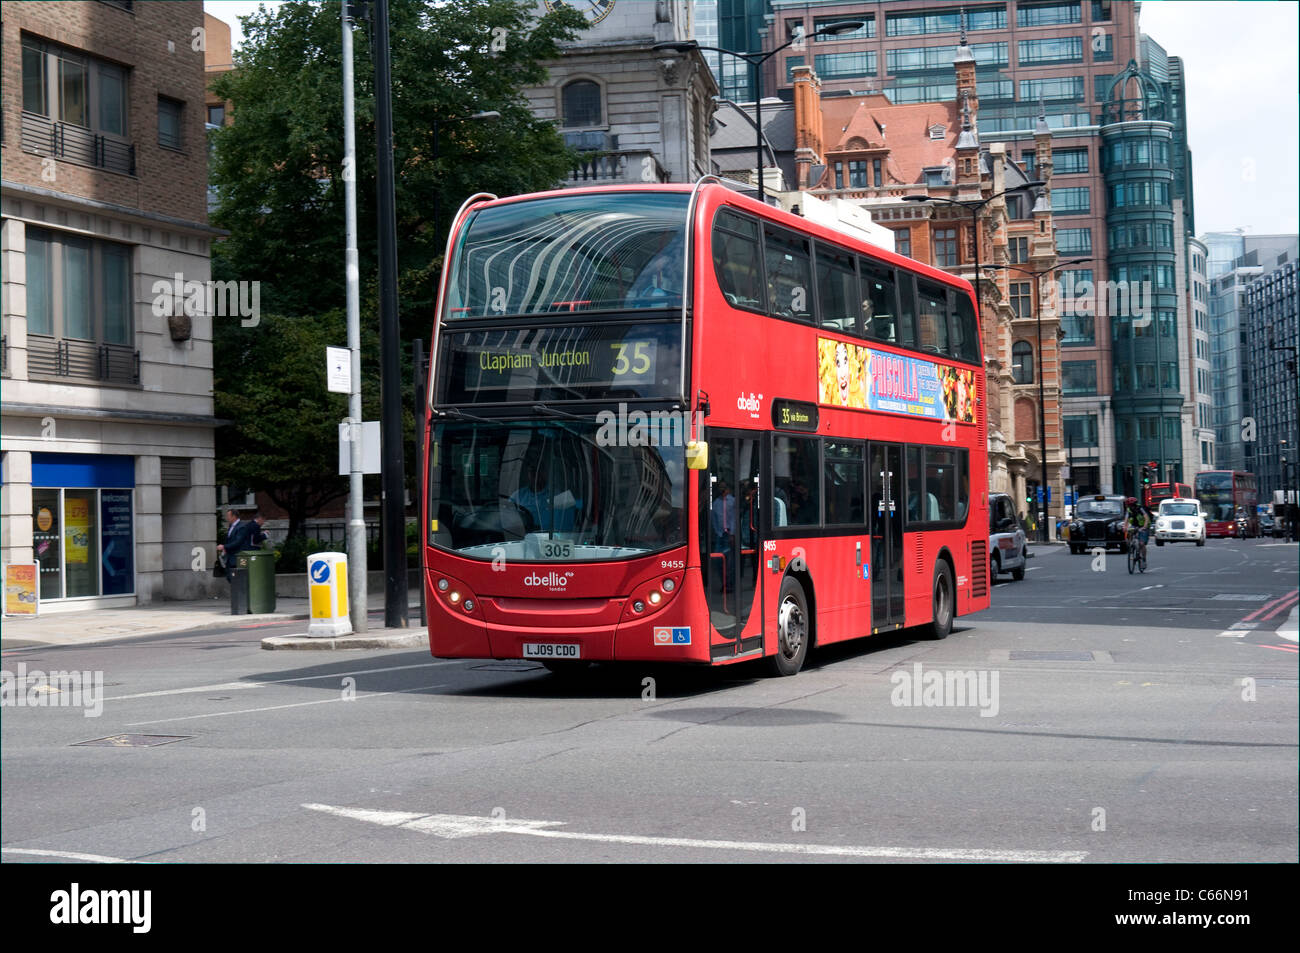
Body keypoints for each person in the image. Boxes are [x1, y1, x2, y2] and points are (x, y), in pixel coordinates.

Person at [217, 508, 257, 587]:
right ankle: (238, 593)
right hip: (230, 556)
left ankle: (240, 594)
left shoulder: (241, 527)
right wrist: (225, 548)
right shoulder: (231, 526)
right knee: (229, 576)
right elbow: (230, 540)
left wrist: (224, 546)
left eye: (228, 516)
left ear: (234, 516)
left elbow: (238, 542)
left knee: (235, 577)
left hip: (237, 557)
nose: (227, 518)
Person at [1124, 496, 1149, 562]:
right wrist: (1125, 527)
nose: (1129, 506)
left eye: (1131, 505)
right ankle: (1132, 547)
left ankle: (1144, 558)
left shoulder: (1140, 508)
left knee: (1141, 543)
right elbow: (1126, 519)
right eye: (1129, 505)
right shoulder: (1128, 509)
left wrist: (1144, 526)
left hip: (1142, 526)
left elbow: (1146, 517)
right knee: (1129, 534)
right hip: (1134, 525)